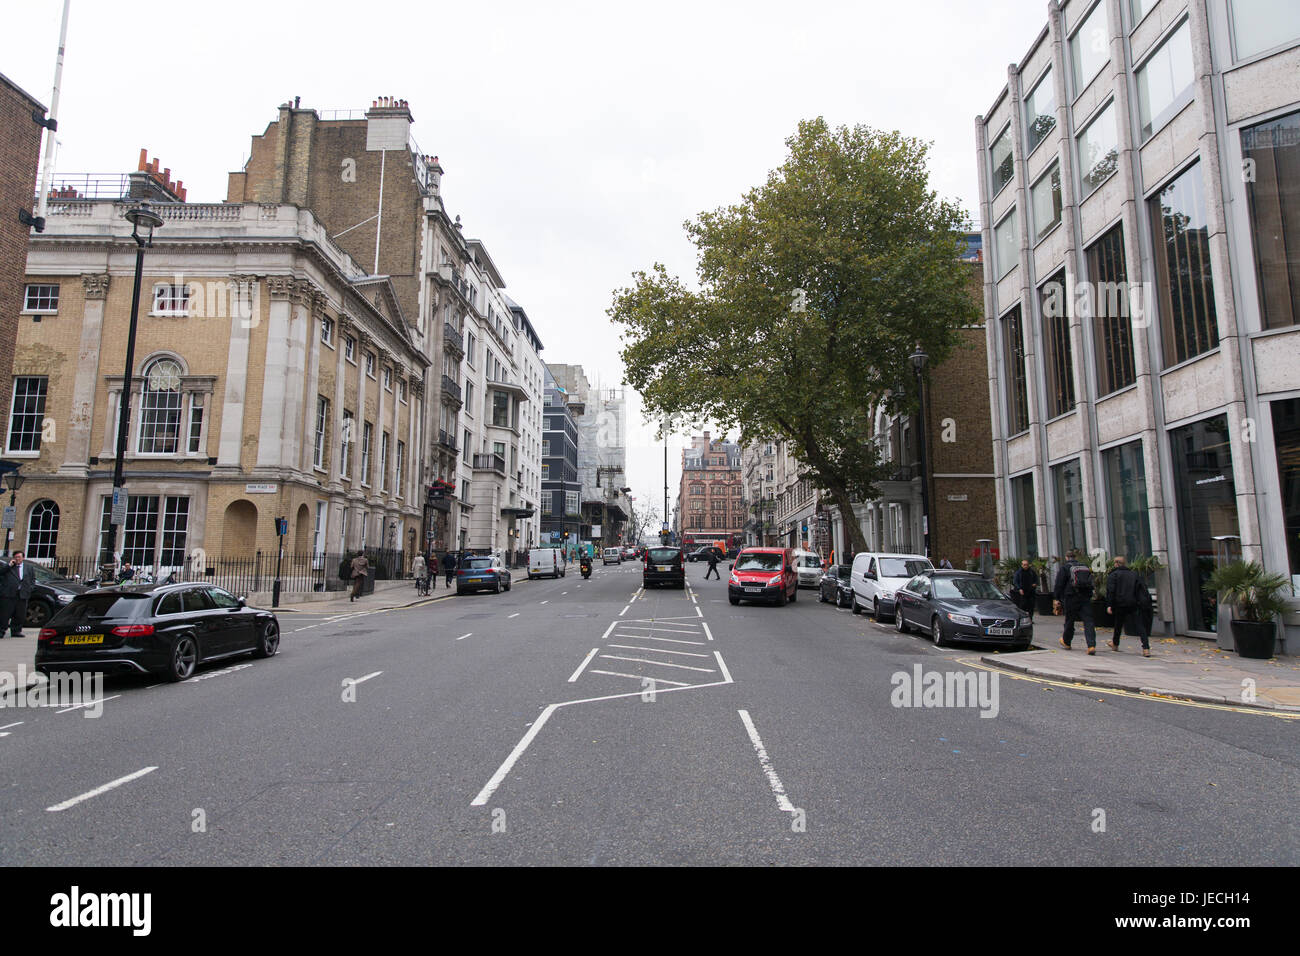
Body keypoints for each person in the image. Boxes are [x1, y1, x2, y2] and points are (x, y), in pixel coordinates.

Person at [1106, 556, 1152, 657]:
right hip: (1133, 603)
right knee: (1140, 625)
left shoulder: (1113, 575)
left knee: (1118, 624)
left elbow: (1111, 591)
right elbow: (1141, 589)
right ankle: (1146, 648)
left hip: (1119, 604)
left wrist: (1109, 605)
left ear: (1116, 564)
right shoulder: (1134, 574)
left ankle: (1115, 644)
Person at [1053, 548, 1097, 654]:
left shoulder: (1065, 568)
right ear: (1075, 557)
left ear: (1067, 557)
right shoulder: (1084, 567)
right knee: (1088, 621)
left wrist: (1056, 598)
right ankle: (1091, 646)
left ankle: (1067, 642)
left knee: (1070, 620)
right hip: (1085, 597)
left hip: (1071, 597)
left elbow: (1059, 584)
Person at [0, 551, 35, 638]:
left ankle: (16, 630)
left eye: (19, 557)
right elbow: (1, 573)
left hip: (22, 594)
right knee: (5, 614)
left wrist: (30, 588)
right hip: (9, 594)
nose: (17, 559)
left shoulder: (29, 567)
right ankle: (1, 631)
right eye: (15, 557)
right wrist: (9, 566)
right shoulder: (9, 567)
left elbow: (32, 579)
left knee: (20, 614)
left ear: (23, 558)